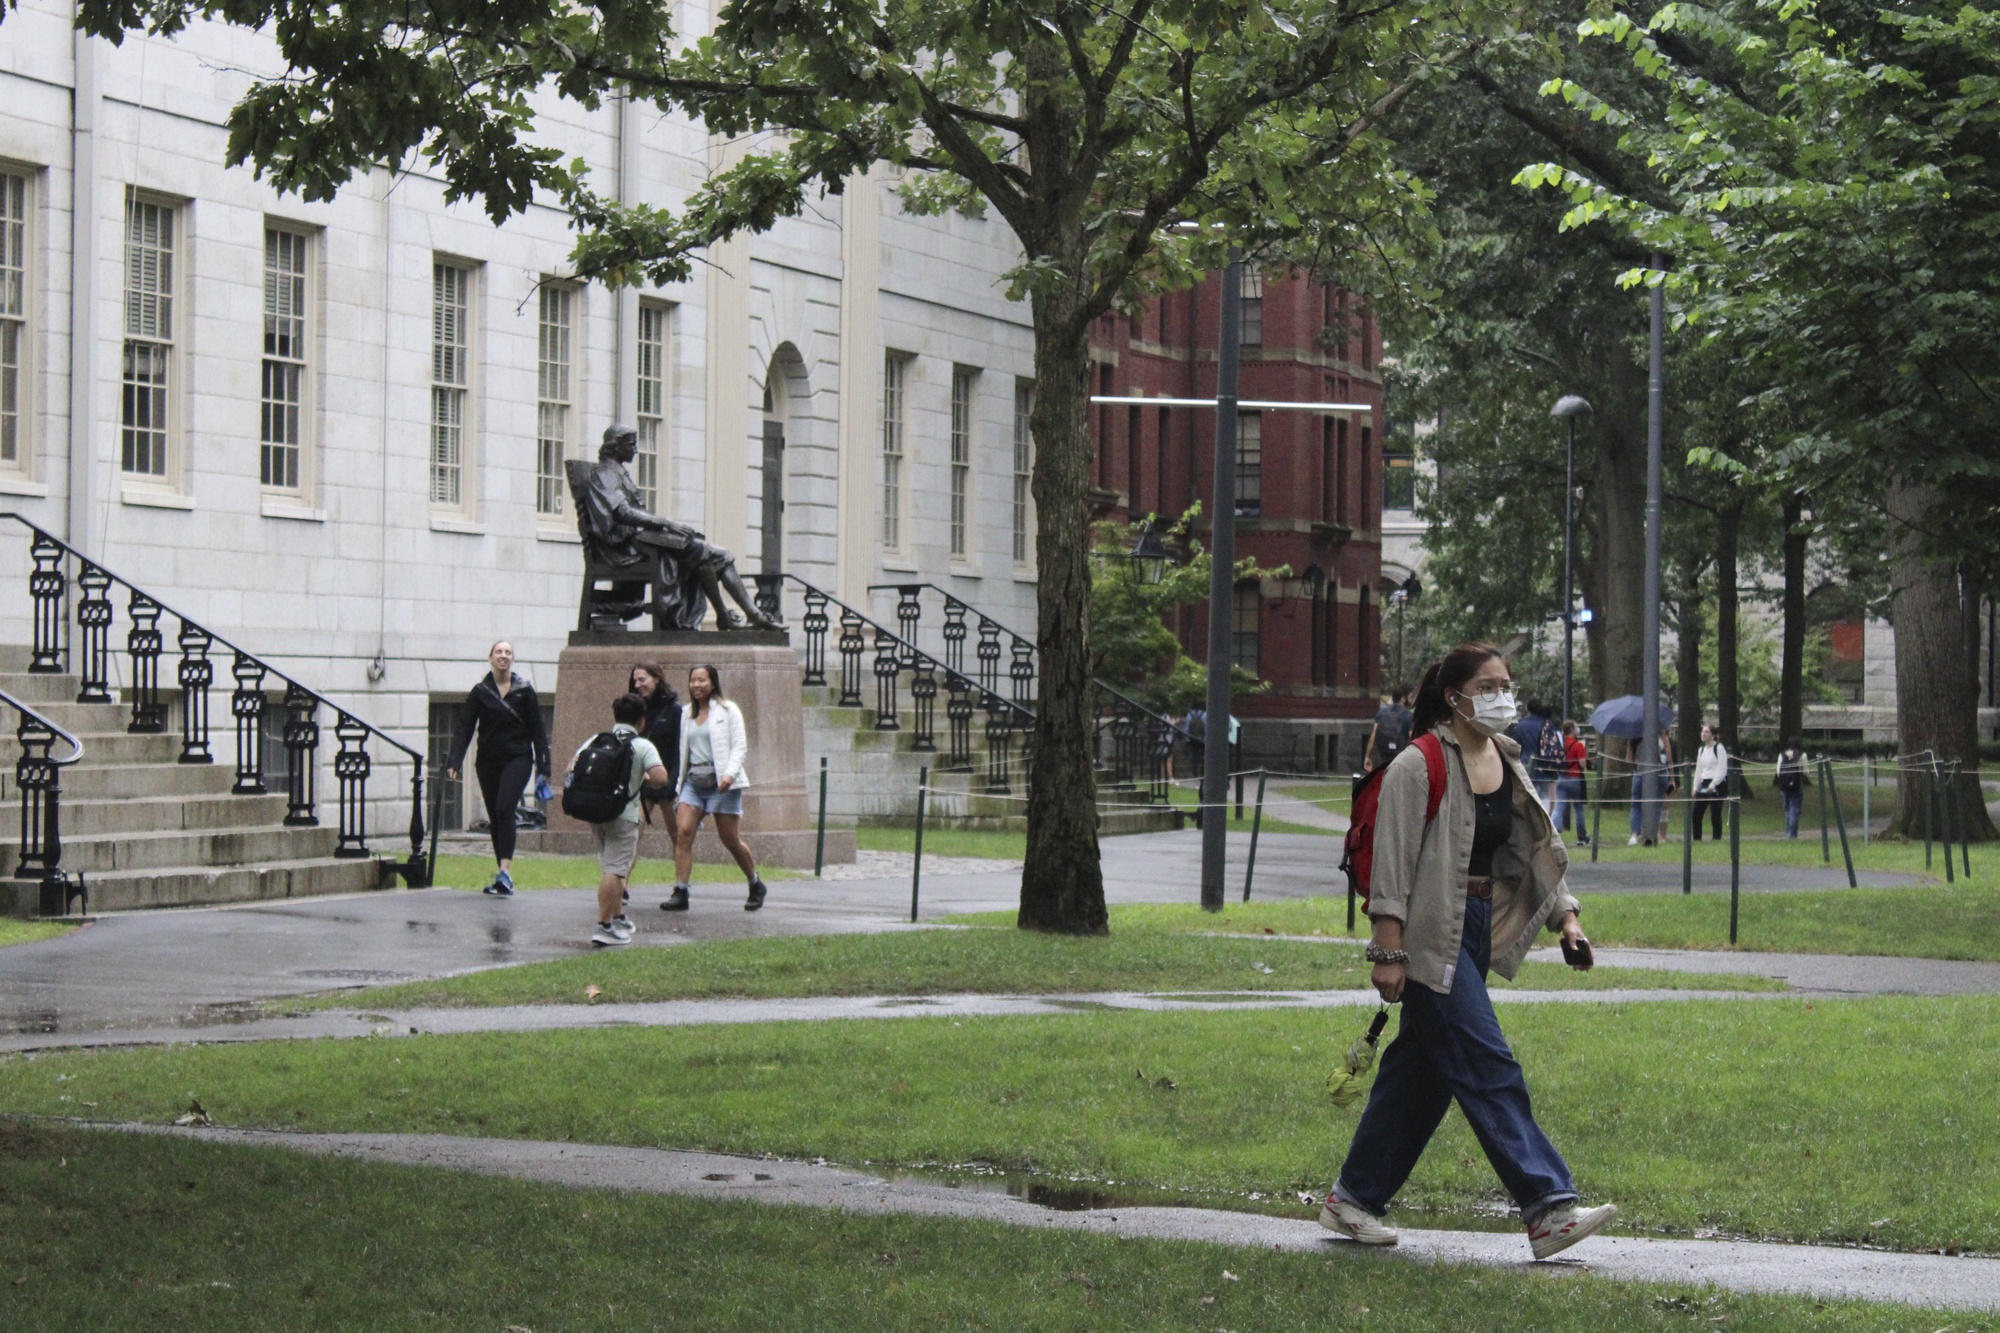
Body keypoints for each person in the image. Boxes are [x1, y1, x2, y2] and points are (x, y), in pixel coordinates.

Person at [1321, 642, 1616, 1262]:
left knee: (1421, 1077)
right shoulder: (1417, 763)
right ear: (1455, 696)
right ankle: (1548, 1208)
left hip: (1477, 925)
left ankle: (1353, 1197)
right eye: (1489, 685)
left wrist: (1568, 920)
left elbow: (1532, 849)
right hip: (1431, 934)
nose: (1502, 695)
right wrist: (1389, 950)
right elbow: (1394, 866)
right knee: (1488, 1064)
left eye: (1506, 683)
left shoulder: (1504, 758)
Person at [446, 641, 551, 897]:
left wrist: (544, 766)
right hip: (488, 761)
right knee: (496, 817)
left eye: (508, 652)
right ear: (490, 658)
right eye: (498, 652)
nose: (503, 656)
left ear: (512, 659)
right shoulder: (480, 692)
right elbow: (465, 727)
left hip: (518, 758)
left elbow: (538, 730)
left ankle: (506, 870)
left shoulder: (524, 691)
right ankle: (501, 875)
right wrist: (454, 760)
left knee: (505, 808)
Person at [564, 692, 670, 947]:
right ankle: (604, 926)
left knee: (614, 867)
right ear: (641, 720)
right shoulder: (642, 746)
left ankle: (619, 917)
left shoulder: (596, 739)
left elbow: (570, 768)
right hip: (624, 815)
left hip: (596, 813)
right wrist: (642, 777)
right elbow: (661, 778)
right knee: (614, 870)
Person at [665, 664, 769, 912]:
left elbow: (739, 746)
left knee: (730, 839)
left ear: (713, 683)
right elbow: (683, 751)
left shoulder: (728, 710)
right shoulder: (686, 713)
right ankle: (681, 891)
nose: (696, 685)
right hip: (693, 781)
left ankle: (755, 883)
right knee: (684, 832)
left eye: (702, 680)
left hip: (722, 784)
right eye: (693, 681)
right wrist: (680, 784)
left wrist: (730, 774)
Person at [628, 662, 682, 827]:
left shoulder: (674, 710)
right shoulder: (635, 709)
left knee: (678, 836)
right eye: (635, 681)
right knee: (634, 830)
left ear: (657, 679)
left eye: (642, 680)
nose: (638, 685)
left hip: (668, 781)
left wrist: (673, 783)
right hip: (643, 780)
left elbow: (679, 750)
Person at [1626, 732, 1677, 846]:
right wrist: (1672, 779)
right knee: (1657, 805)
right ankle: (1651, 834)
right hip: (1660, 773)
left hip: (1640, 772)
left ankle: (1634, 835)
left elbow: (1629, 759)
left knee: (1636, 804)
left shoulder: (1634, 737)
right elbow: (1669, 759)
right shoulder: (1662, 736)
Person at [1551, 721, 1589, 845]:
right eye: (1576, 727)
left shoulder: (1560, 745)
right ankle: (1581, 837)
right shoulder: (1578, 745)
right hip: (1575, 778)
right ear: (1572, 730)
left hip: (1561, 778)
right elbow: (1583, 763)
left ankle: (1554, 833)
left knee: (1559, 807)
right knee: (1578, 809)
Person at [1691, 724, 1730, 841]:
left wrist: (1713, 784)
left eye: (1707, 732)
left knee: (1715, 814)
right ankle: (1697, 838)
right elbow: (1699, 769)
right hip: (1704, 782)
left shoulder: (1719, 748)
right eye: (1703, 732)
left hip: (1717, 783)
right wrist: (1695, 787)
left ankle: (1716, 838)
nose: (1704, 734)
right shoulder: (1701, 750)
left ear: (1712, 735)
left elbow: (1722, 769)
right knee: (1696, 813)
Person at [1365, 686, 1414, 773]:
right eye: (1411, 697)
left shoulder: (1382, 713)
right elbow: (1412, 738)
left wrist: (1368, 756)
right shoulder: (1408, 716)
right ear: (1403, 698)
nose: (1412, 700)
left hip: (1382, 757)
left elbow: (1373, 736)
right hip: (1400, 759)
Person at [1774, 740, 1810, 838]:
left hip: (1784, 786)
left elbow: (1778, 772)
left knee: (1787, 809)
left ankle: (1788, 832)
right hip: (1796, 785)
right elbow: (1806, 772)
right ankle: (1792, 835)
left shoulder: (1782, 755)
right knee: (1794, 809)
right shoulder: (1802, 755)